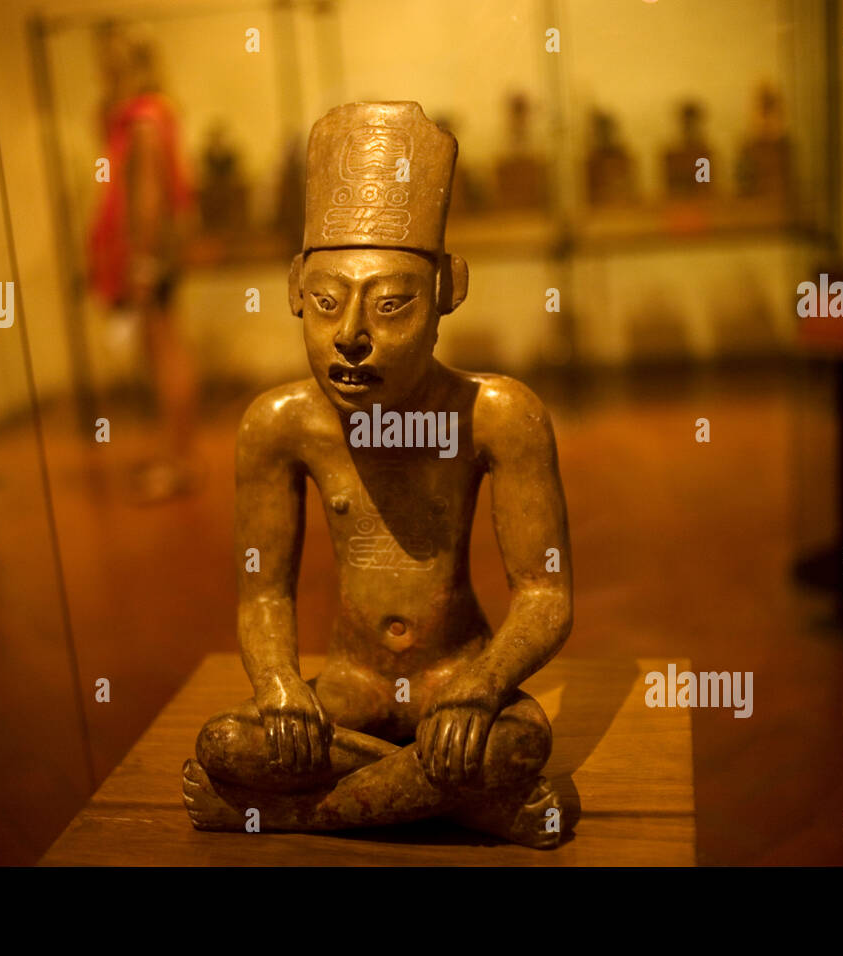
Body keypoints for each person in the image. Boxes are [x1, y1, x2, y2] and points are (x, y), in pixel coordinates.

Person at [181, 102, 574, 848]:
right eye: (327, 304)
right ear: (297, 287)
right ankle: (462, 802)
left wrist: (485, 686)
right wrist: (280, 687)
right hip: (349, 690)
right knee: (228, 744)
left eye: (391, 305)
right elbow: (263, 592)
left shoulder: (498, 414)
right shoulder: (279, 424)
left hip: (456, 676)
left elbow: (547, 596)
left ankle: (293, 816)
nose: (352, 337)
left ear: (447, 293)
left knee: (517, 741)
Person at [88, 27, 200, 502]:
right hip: (149, 253)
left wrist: (141, 262)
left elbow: (148, 197)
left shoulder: (144, 119)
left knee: (165, 353)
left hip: (147, 255)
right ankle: (174, 455)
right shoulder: (154, 112)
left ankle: (177, 463)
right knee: (162, 351)